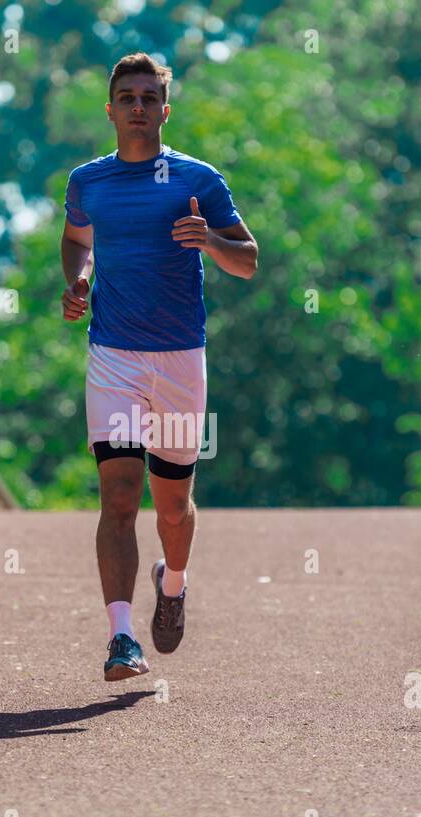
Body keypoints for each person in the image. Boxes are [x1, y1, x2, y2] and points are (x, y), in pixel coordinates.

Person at [60, 52, 259, 681]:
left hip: (179, 360)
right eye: (128, 97)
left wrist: (210, 242)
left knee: (173, 506)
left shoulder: (198, 180)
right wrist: (80, 279)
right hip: (113, 355)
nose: (139, 107)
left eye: (149, 97)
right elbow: (76, 239)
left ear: (165, 111)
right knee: (119, 496)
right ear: (112, 108)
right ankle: (121, 637)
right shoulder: (88, 181)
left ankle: (172, 585)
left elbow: (248, 260)